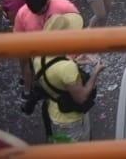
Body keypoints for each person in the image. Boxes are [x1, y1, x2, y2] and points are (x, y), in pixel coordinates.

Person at [31, 12, 101, 143]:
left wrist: (76, 60)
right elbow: (81, 97)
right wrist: (96, 72)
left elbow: (53, 72)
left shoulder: (38, 56)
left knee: (63, 146)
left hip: (54, 112)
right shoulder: (67, 68)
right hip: (71, 120)